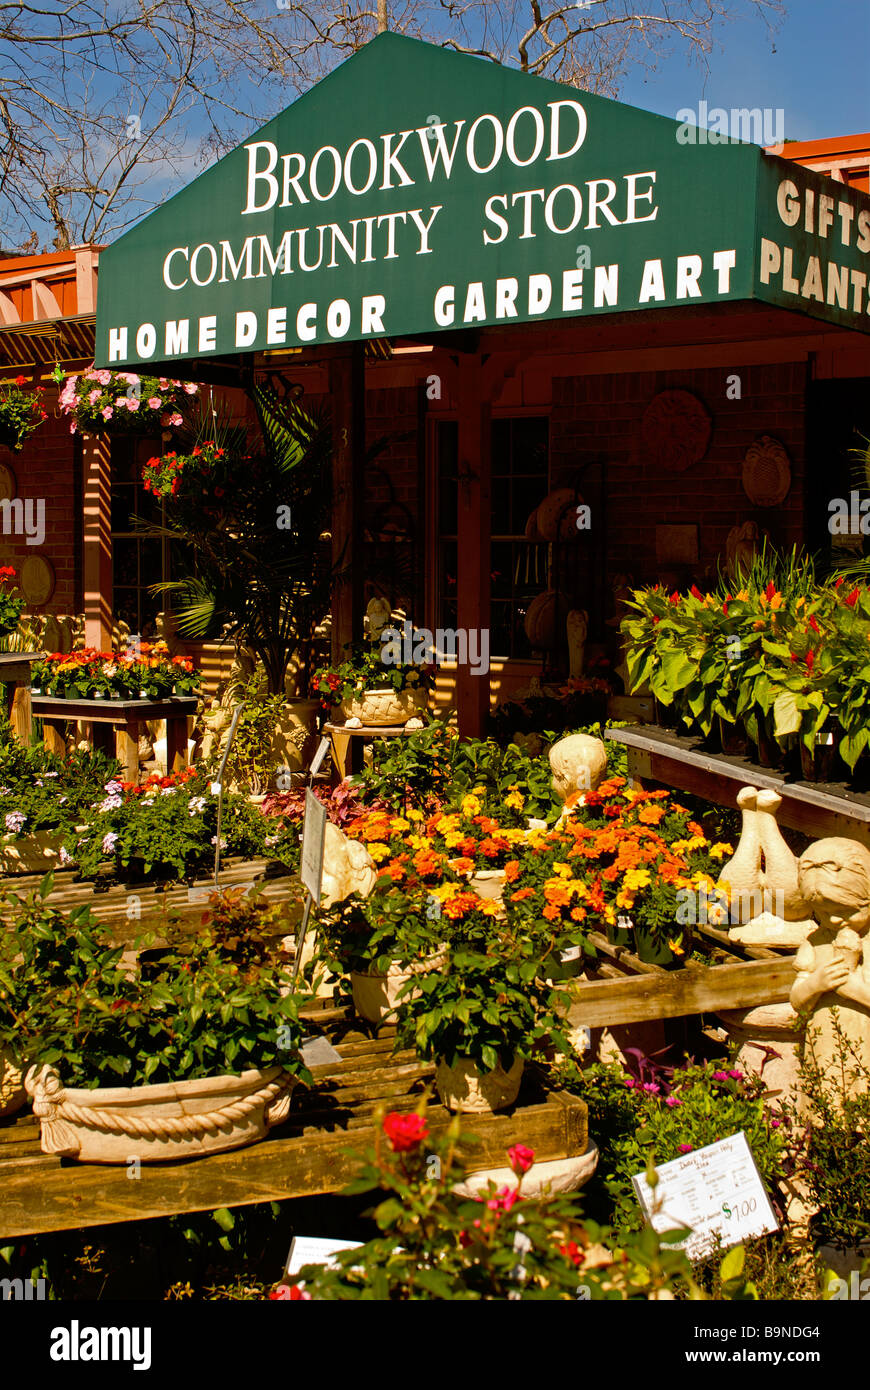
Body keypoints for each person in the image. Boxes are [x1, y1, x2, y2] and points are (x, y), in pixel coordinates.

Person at [792, 838, 870, 1097]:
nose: (834, 920)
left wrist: (855, 988)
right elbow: (797, 1001)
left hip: (865, 1046)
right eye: (823, 913)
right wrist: (816, 984)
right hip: (826, 1046)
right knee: (828, 1104)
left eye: (845, 911)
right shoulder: (816, 942)